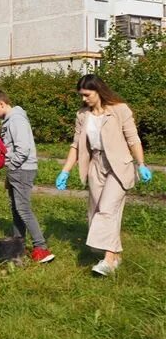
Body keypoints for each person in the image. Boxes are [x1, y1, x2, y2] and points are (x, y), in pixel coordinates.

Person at [55, 74, 152, 276]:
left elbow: (133, 139)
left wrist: (141, 164)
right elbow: (76, 145)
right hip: (96, 164)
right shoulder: (83, 115)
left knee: (107, 209)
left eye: (86, 94)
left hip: (119, 165)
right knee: (97, 210)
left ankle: (107, 261)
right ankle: (115, 255)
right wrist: (65, 170)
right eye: (81, 95)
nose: (83, 99)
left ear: (98, 91)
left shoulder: (119, 110)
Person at [0, 89, 54, 264]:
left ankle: (41, 248)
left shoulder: (16, 120)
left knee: (23, 209)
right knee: (15, 208)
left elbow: (23, 149)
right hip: (17, 169)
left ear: (1, 104)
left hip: (22, 169)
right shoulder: (9, 120)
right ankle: (18, 243)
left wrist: (13, 167)